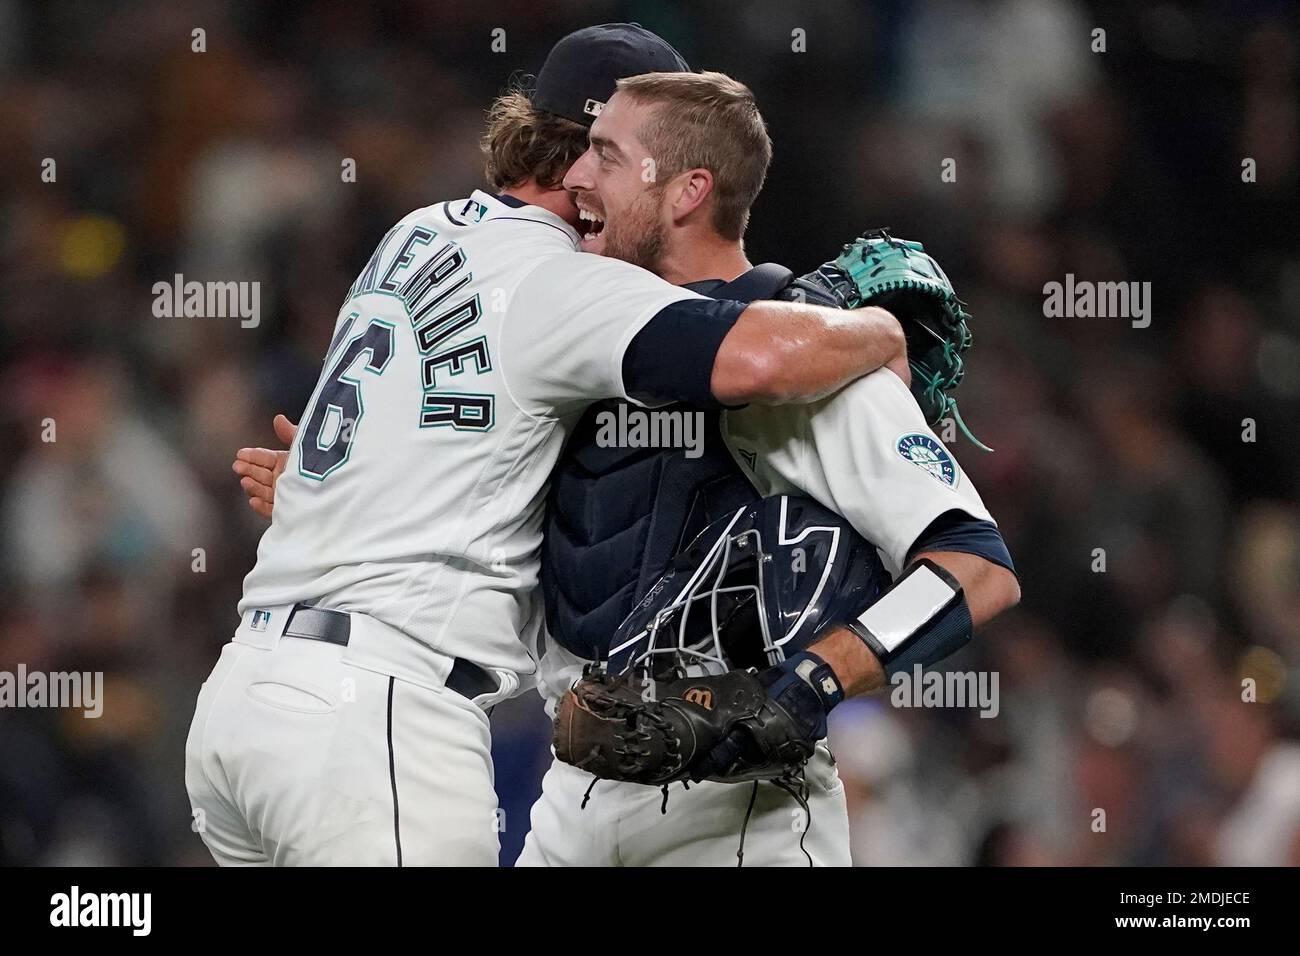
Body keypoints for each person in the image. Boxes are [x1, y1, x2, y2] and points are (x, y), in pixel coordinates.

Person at [237, 66, 1020, 866]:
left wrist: (812, 685)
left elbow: (976, 566)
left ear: (686, 191)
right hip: (574, 796)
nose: (575, 175)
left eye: (605, 156)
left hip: (737, 811)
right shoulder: (581, 353)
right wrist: (345, 493)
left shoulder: (805, 362)